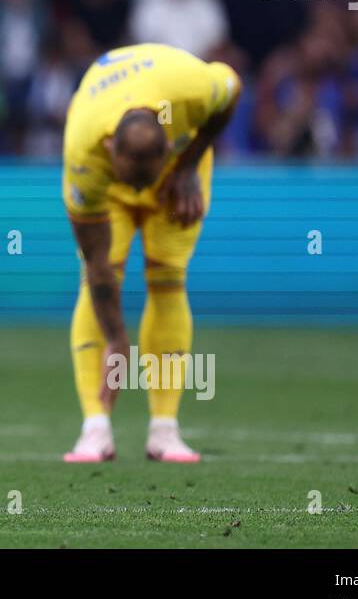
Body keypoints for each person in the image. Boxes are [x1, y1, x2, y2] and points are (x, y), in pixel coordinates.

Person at [60, 43, 240, 463]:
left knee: (168, 279)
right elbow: (99, 266)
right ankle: (95, 427)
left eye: (146, 176)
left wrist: (189, 165)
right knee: (96, 279)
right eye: (133, 178)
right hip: (113, 187)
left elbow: (233, 88)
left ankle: (164, 430)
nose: (140, 188)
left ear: (168, 146)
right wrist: (118, 340)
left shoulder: (192, 90)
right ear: (111, 153)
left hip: (177, 177)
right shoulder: (84, 154)